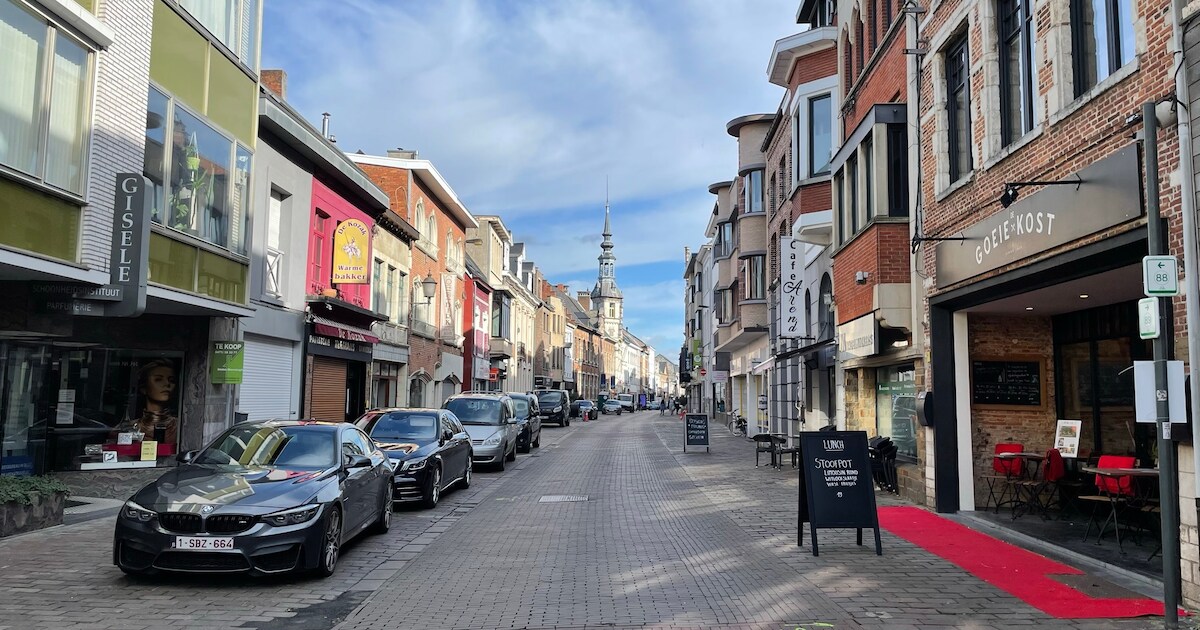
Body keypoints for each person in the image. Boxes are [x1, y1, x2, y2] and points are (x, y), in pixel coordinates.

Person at [118, 358, 180, 445]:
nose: (167, 384)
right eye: (158, 379)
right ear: (144, 388)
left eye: (171, 380)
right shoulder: (127, 427)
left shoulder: (181, 428)